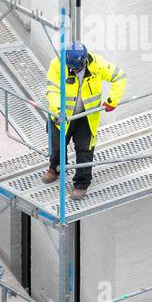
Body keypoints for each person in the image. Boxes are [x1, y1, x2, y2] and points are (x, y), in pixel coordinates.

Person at [43, 41, 126, 200]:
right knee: (56, 145)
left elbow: (119, 77)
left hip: (86, 117)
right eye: (71, 68)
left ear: (84, 61)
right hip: (62, 115)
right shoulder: (58, 64)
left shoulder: (97, 64)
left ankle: (81, 184)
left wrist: (112, 101)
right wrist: (58, 110)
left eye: (77, 68)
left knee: (85, 150)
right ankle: (55, 169)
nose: (74, 71)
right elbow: (52, 89)